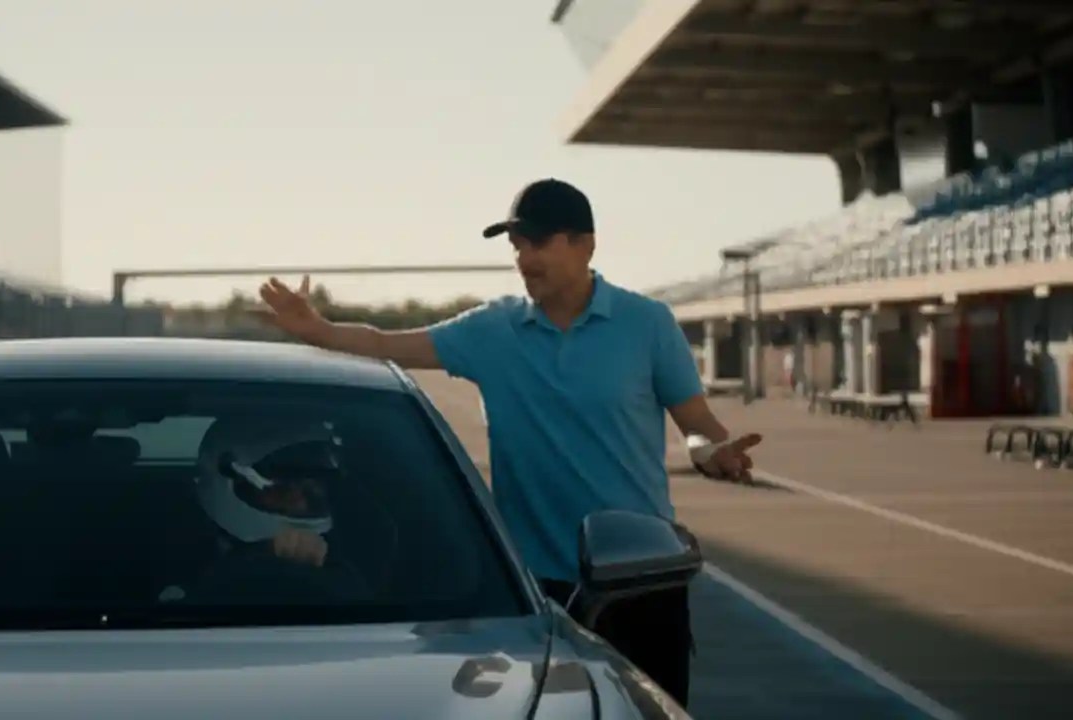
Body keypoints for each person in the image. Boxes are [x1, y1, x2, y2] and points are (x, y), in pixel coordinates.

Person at [251, 178, 761, 708]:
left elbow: (696, 423)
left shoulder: (647, 324)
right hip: (534, 591)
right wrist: (317, 329)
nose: (524, 257)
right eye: (517, 246)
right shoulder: (492, 331)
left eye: (538, 242)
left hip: (641, 581)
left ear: (585, 243)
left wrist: (712, 453)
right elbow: (386, 345)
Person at [160, 417, 368, 605]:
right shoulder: (174, 552)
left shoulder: (349, 553)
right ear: (232, 483)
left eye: (315, 486)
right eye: (284, 488)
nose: (303, 502)